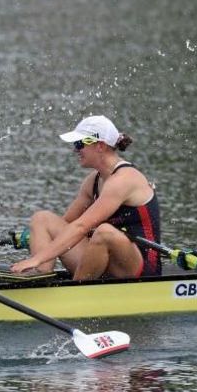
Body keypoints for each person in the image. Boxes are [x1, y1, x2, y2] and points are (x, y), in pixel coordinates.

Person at [11, 115, 160, 279]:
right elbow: (67, 225)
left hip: (140, 268)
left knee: (104, 232)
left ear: (100, 146)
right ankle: (38, 275)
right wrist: (38, 238)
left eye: (79, 144)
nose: (75, 150)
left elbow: (81, 226)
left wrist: (38, 257)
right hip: (103, 260)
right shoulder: (93, 181)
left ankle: (75, 293)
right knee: (42, 219)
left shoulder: (124, 179)